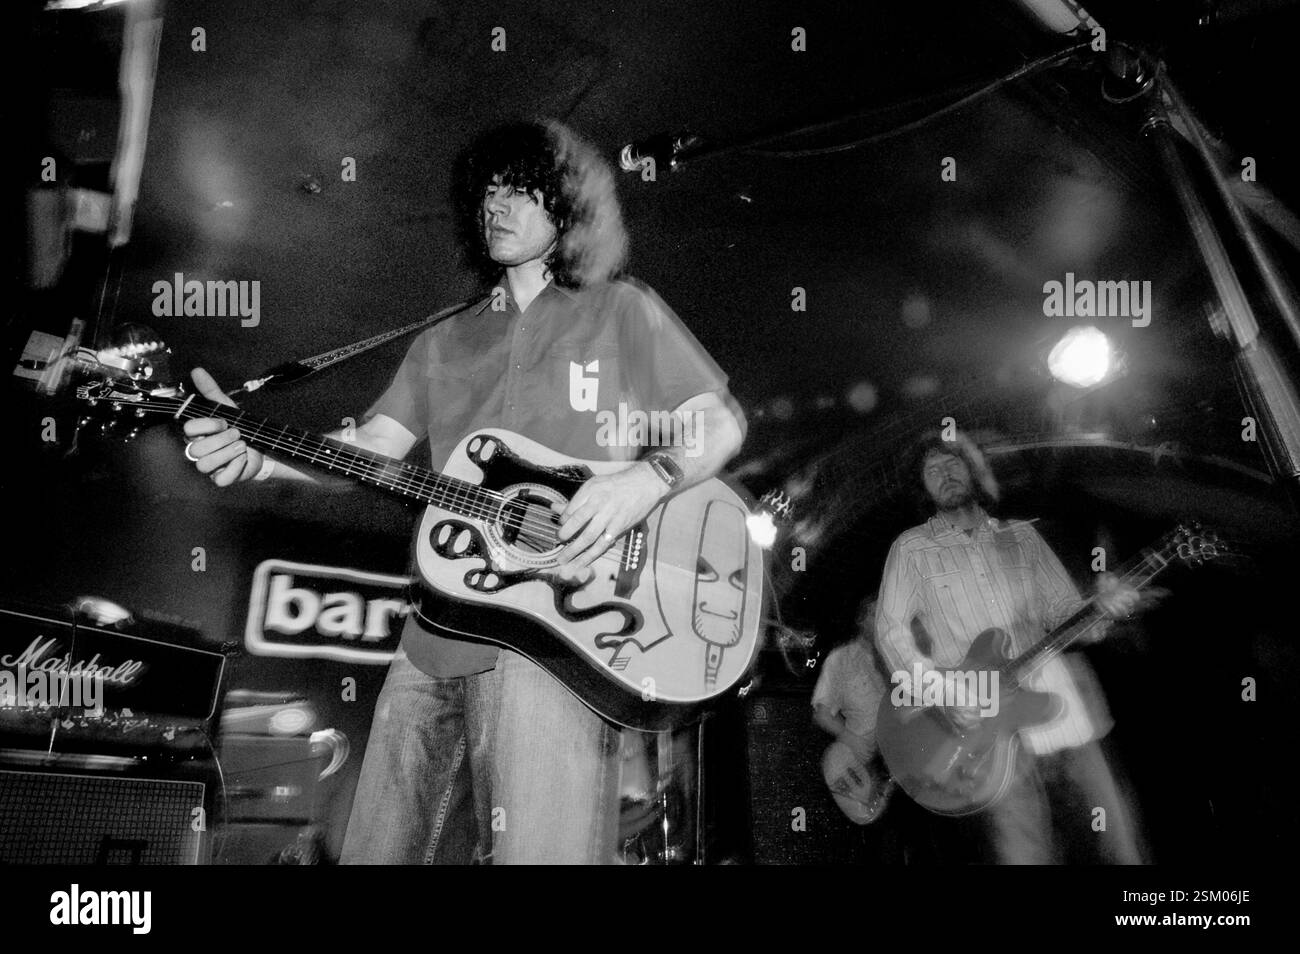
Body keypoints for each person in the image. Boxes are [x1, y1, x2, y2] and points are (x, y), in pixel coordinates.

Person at [179, 119, 746, 863]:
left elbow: (718, 423)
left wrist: (645, 480)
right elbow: (373, 450)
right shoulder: (442, 340)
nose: (495, 204)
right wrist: (259, 456)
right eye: (488, 190)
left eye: (520, 190)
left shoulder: (623, 310)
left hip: (558, 635)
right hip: (433, 638)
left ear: (569, 210)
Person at [874, 431, 1149, 864]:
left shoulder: (1021, 536)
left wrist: (1104, 610)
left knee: (1119, 843)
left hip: (1063, 713)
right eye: (932, 470)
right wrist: (943, 693)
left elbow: (1064, 613)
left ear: (974, 470)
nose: (944, 475)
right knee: (1024, 856)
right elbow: (890, 632)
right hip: (985, 731)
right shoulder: (911, 549)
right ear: (920, 486)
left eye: (953, 464)